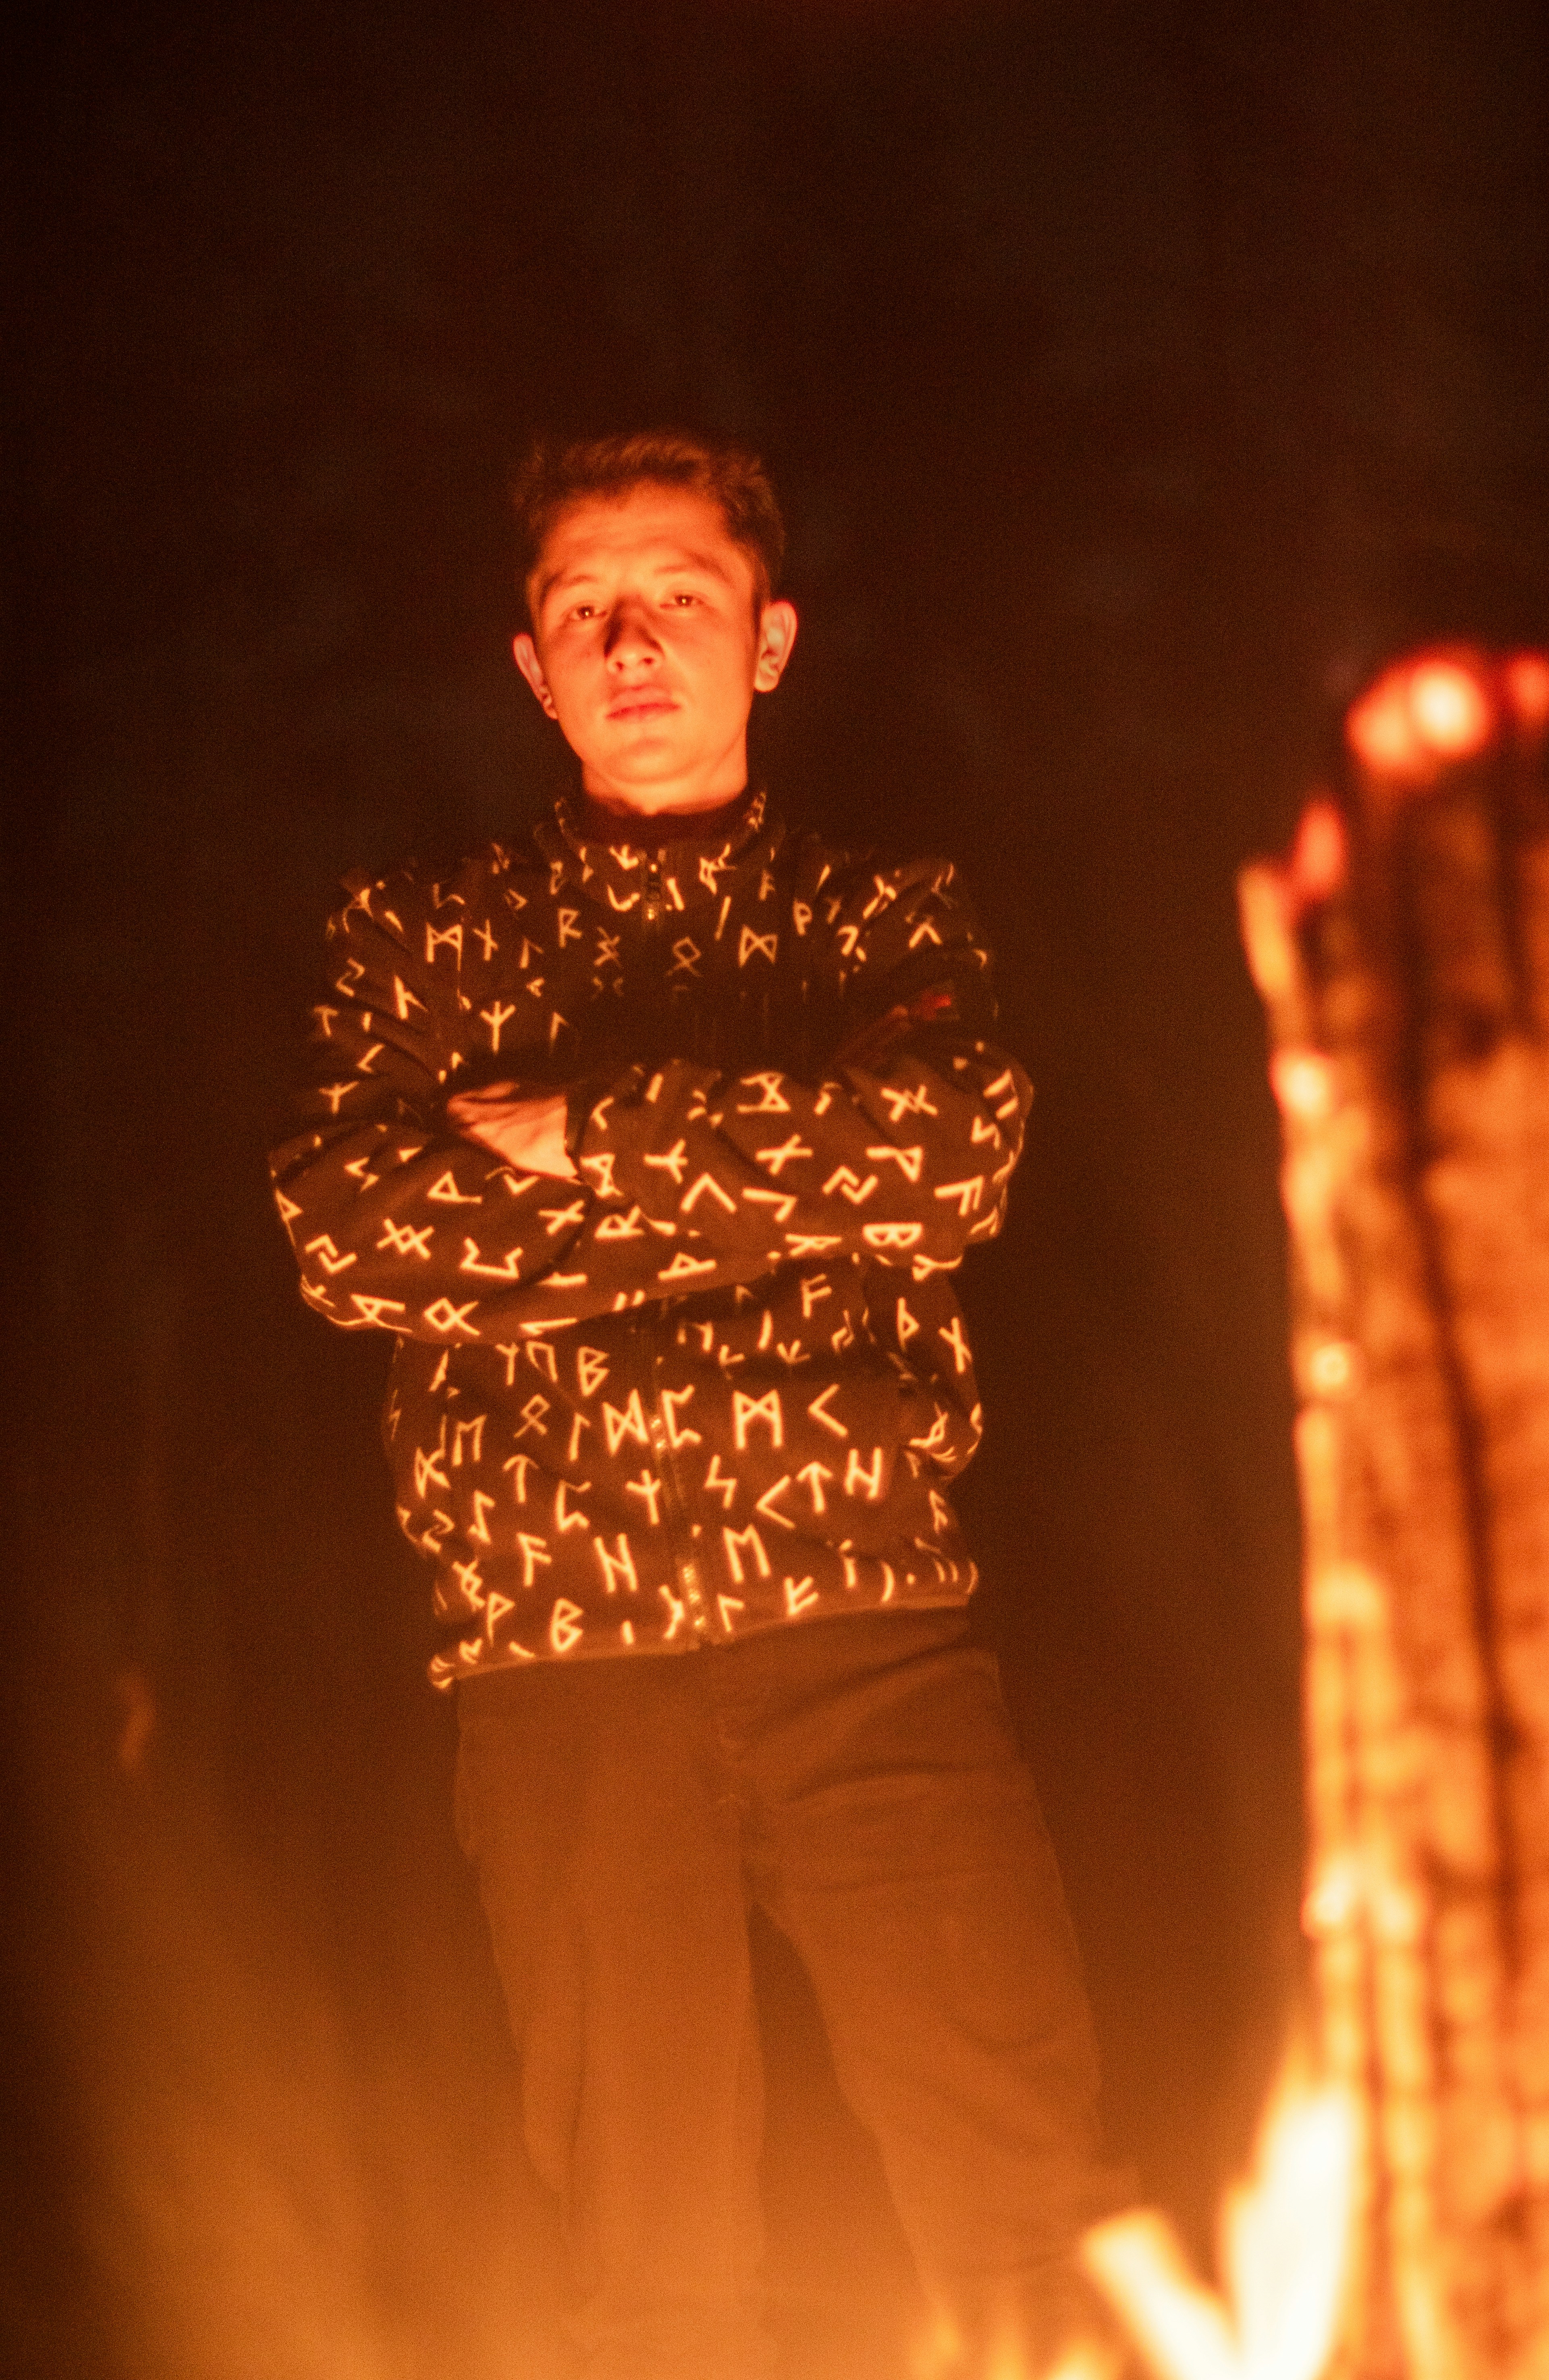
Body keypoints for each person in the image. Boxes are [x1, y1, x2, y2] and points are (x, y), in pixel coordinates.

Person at [271, 430, 1132, 2380]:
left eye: (680, 595)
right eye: (587, 608)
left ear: (771, 640)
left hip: (875, 1636)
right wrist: (774, 1186)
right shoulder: (424, 942)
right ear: (533, 668)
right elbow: (354, 1247)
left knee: (1027, 2194)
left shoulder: (876, 919)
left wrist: (584, 1140)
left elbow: (948, 1163)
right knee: (650, 2274)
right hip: (563, 1671)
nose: (633, 637)